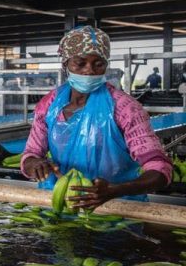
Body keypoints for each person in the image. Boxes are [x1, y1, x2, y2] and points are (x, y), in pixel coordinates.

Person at [21, 26, 171, 208]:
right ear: (65, 64)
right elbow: (30, 155)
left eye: (98, 64)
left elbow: (159, 169)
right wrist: (35, 164)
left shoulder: (125, 108)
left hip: (117, 208)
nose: (89, 71)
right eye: (80, 63)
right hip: (58, 203)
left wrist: (116, 190)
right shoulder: (49, 105)